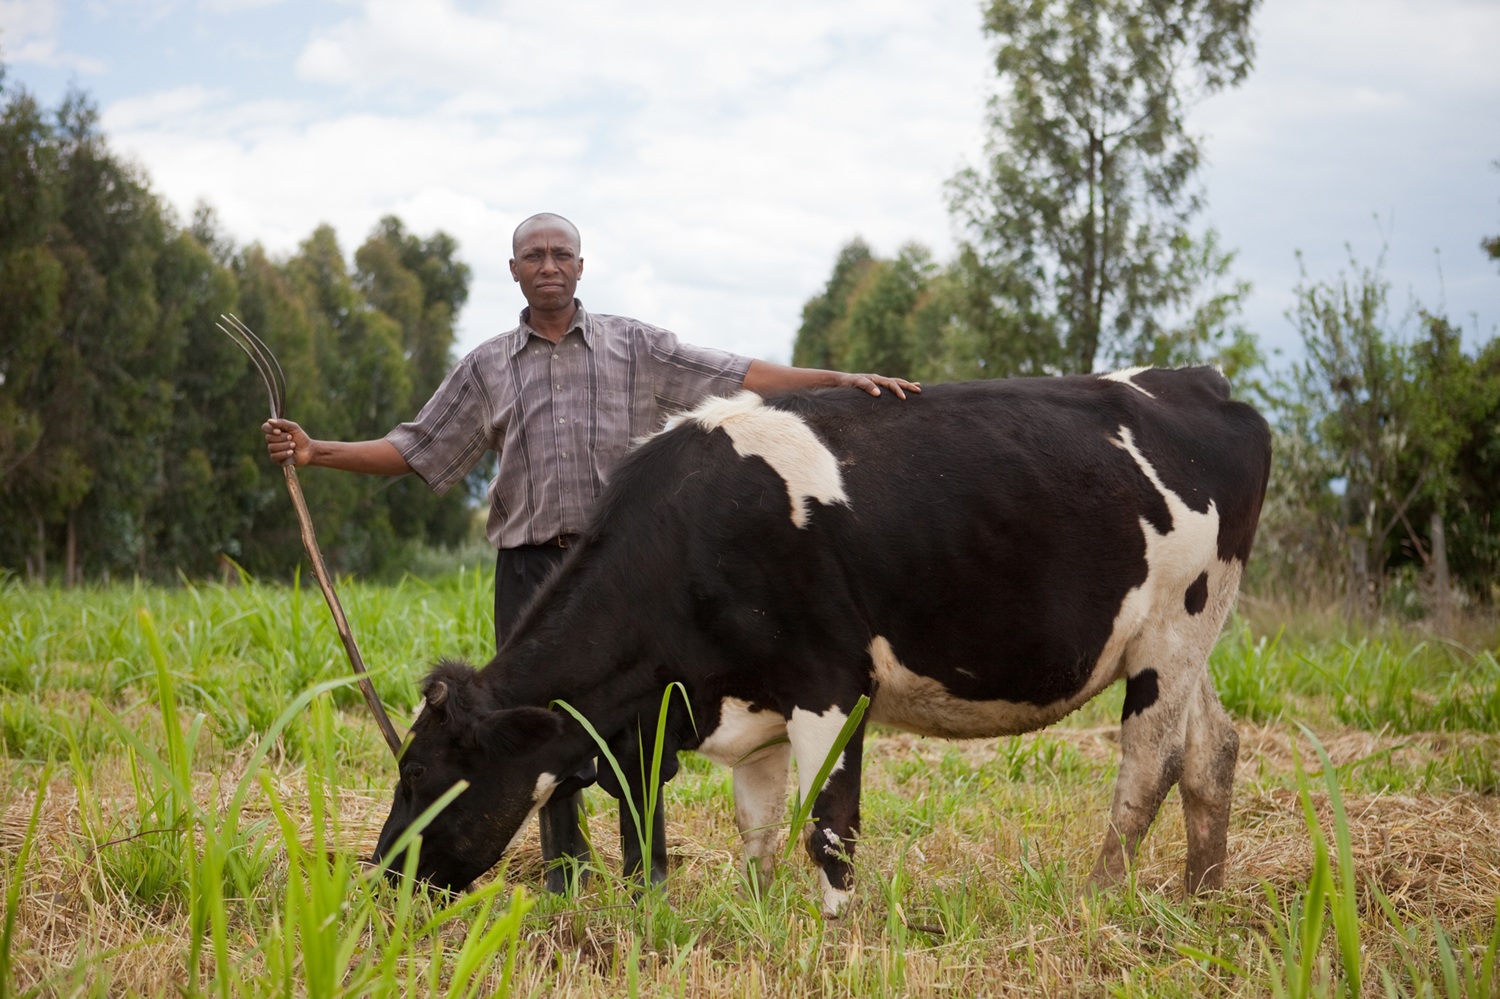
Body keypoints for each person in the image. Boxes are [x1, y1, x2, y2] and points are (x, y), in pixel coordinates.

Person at [263, 212, 919, 891]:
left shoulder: (635, 346)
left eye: (560, 254)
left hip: (625, 576)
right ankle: (564, 870)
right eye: (533, 256)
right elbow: (416, 446)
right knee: (529, 719)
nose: (548, 265)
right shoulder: (486, 366)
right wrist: (316, 451)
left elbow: (735, 372)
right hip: (529, 571)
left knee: (641, 723)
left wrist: (836, 380)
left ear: (581, 266)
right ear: (513, 270)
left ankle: (647, 871)